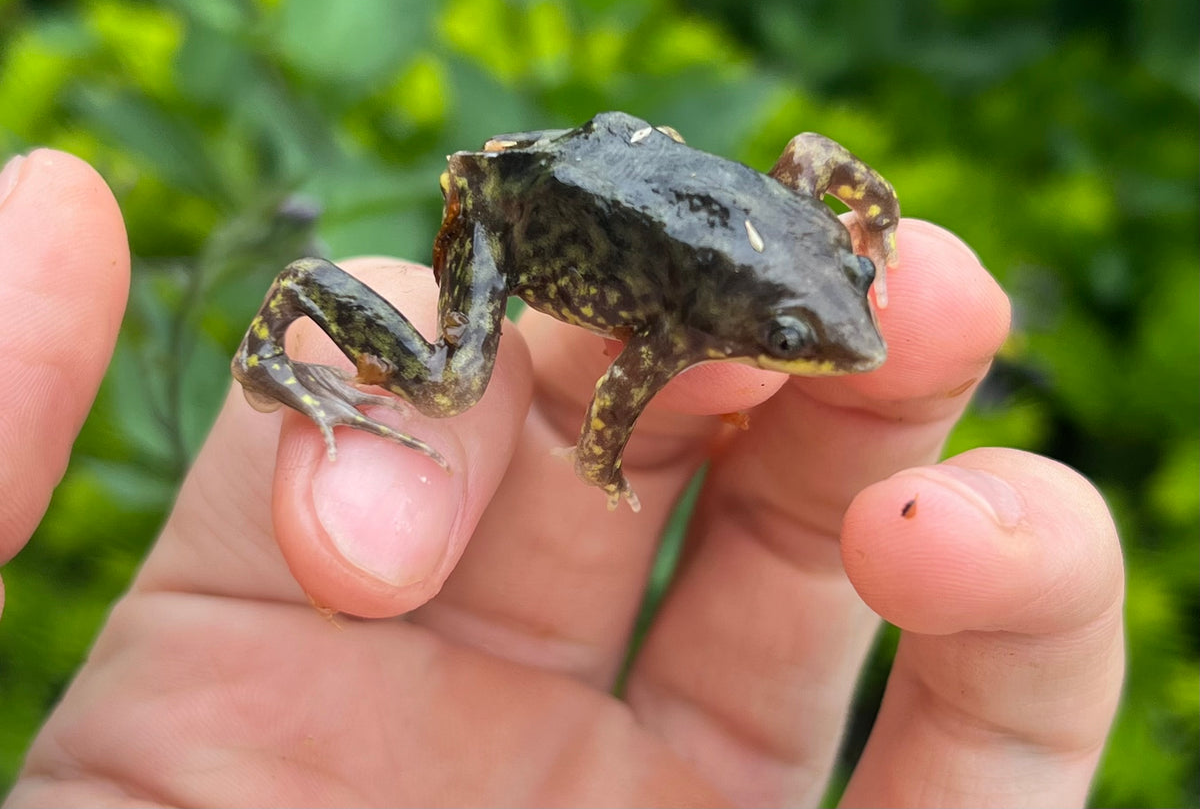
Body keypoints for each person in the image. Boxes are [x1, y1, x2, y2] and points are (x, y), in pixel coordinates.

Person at [0, 149, 1124, 807]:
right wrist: (599, 467)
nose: (838, 351)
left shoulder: (739, 293)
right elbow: (613, 404)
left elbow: (815, 161)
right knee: (449, 388)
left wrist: (860, 232)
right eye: (793, 331)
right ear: (745, 318)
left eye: (825, 289)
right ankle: (280, 323)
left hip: (625, 180)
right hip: (512, 214)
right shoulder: (686, 329)